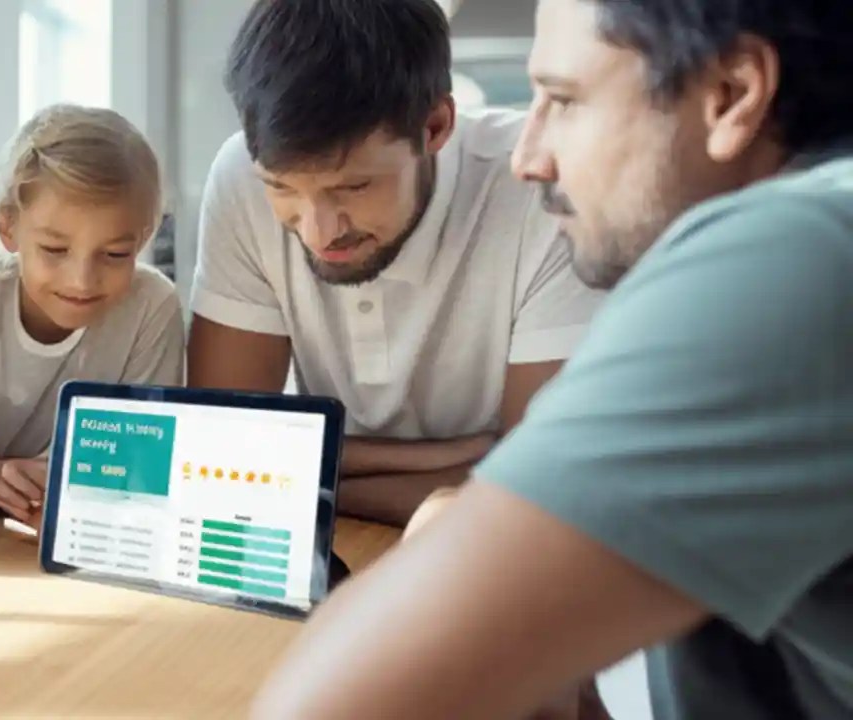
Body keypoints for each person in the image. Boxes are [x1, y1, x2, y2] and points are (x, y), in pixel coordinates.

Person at [251, 0, 853, 718]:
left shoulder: (792, 259)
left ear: (731, 94)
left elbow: (328, 706)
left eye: (563, 101)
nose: (528, 157)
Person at [187, 0, 604, 526]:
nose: (320, 232)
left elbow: (544, 489)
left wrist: (305, 480)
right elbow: (213, 448)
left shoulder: (541, 189)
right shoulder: (239, 178)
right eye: (283, 188)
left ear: (434, 126)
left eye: (354, 186)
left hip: (488, 553)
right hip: (329, 550)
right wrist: (452, 460)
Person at [0, 104, 185, 528]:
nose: (83, 281)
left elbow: (142, 462)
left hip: (90, 531)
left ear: (143, 238)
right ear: (8, 227)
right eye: (54, 250)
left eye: (116, 254)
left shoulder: (153, 305)